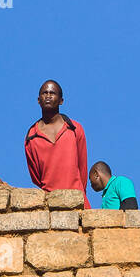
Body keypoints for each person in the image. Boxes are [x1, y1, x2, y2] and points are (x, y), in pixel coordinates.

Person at [24, 80, 90, 208]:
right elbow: (36, 177)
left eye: (52, 93)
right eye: (45, 93)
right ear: (38, 100)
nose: (48, 96)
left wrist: (79, 195)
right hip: (49, 204)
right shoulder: (31, 137)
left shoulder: (75, 129)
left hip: (77, 200)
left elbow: (83, 168)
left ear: (61, 101)